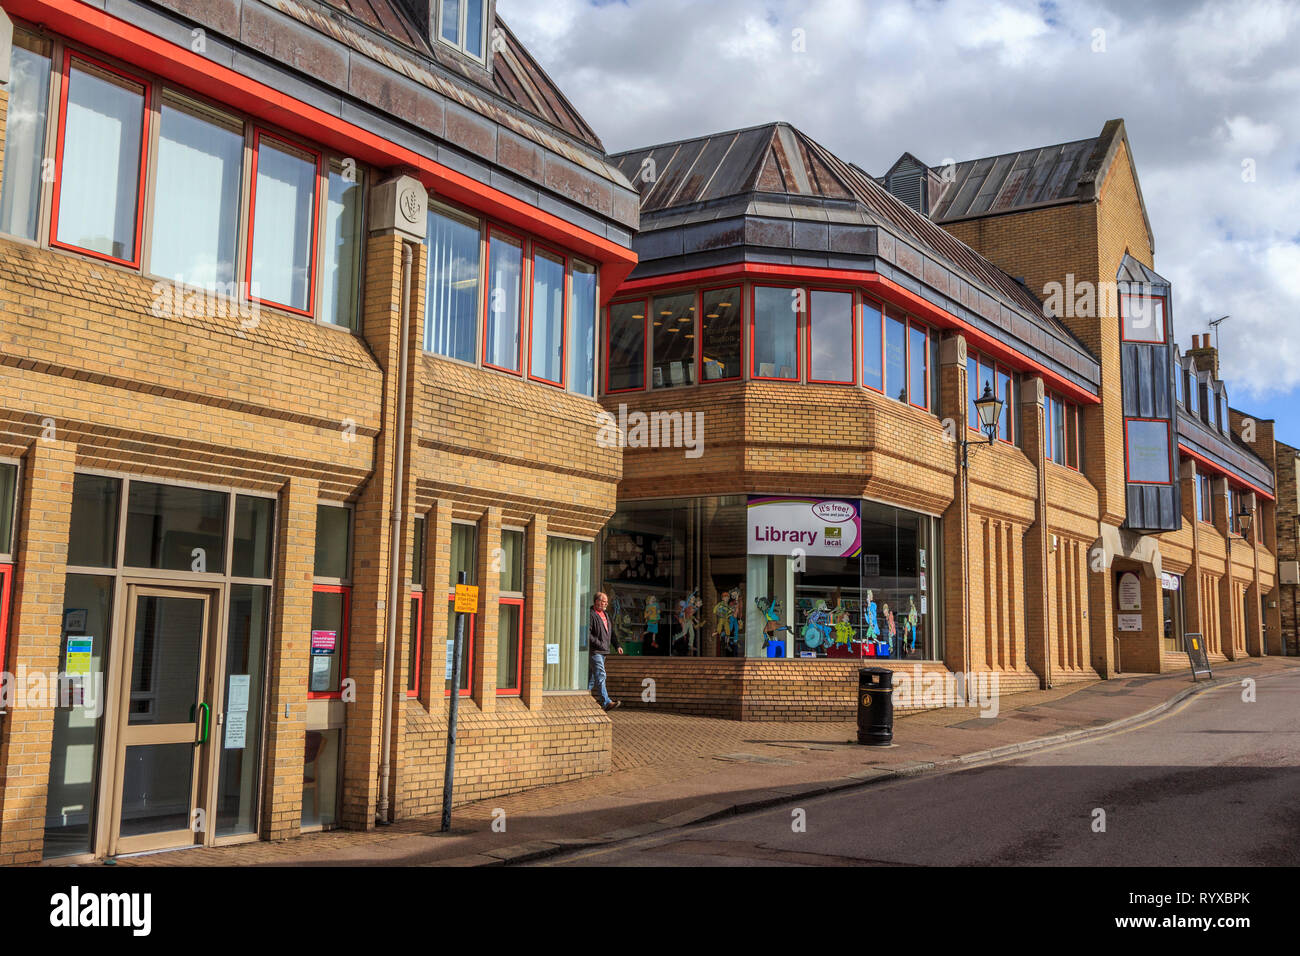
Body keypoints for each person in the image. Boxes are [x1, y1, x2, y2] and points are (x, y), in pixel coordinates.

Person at [589, 592, 623, 711]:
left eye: (606, 602)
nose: (606, 604)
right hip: (595, 651)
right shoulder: (591, 614)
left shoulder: (606, 615)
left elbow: (611, 633)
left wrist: (617, 645)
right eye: (604, 601)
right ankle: (606, 701)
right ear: (597, 601)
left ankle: (582, 698)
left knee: (593, 678)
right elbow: (587, 635)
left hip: (603, 651)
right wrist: (599, 644)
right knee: (601, 674)